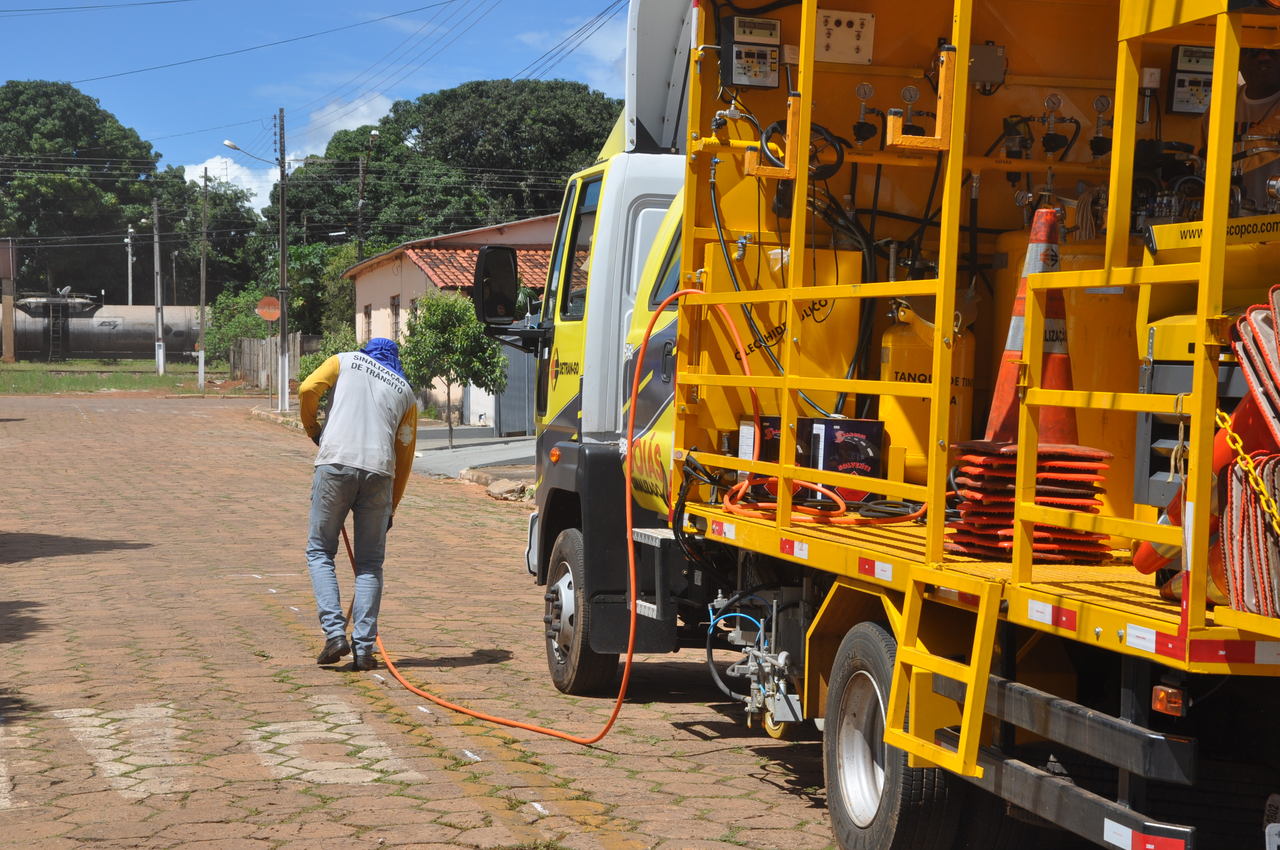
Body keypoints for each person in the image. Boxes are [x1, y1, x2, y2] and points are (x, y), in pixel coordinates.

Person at [298, 337, 417, 671]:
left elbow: (308, 388)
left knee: (320, 551)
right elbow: (404, 454)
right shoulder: (405, 390)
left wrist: (313, 429)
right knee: (369, 564)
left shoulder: (345, 360)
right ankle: (364, 649)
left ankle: (335, 633)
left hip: (336, 463)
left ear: (367, 352)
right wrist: (392, 504)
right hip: (380, 474)